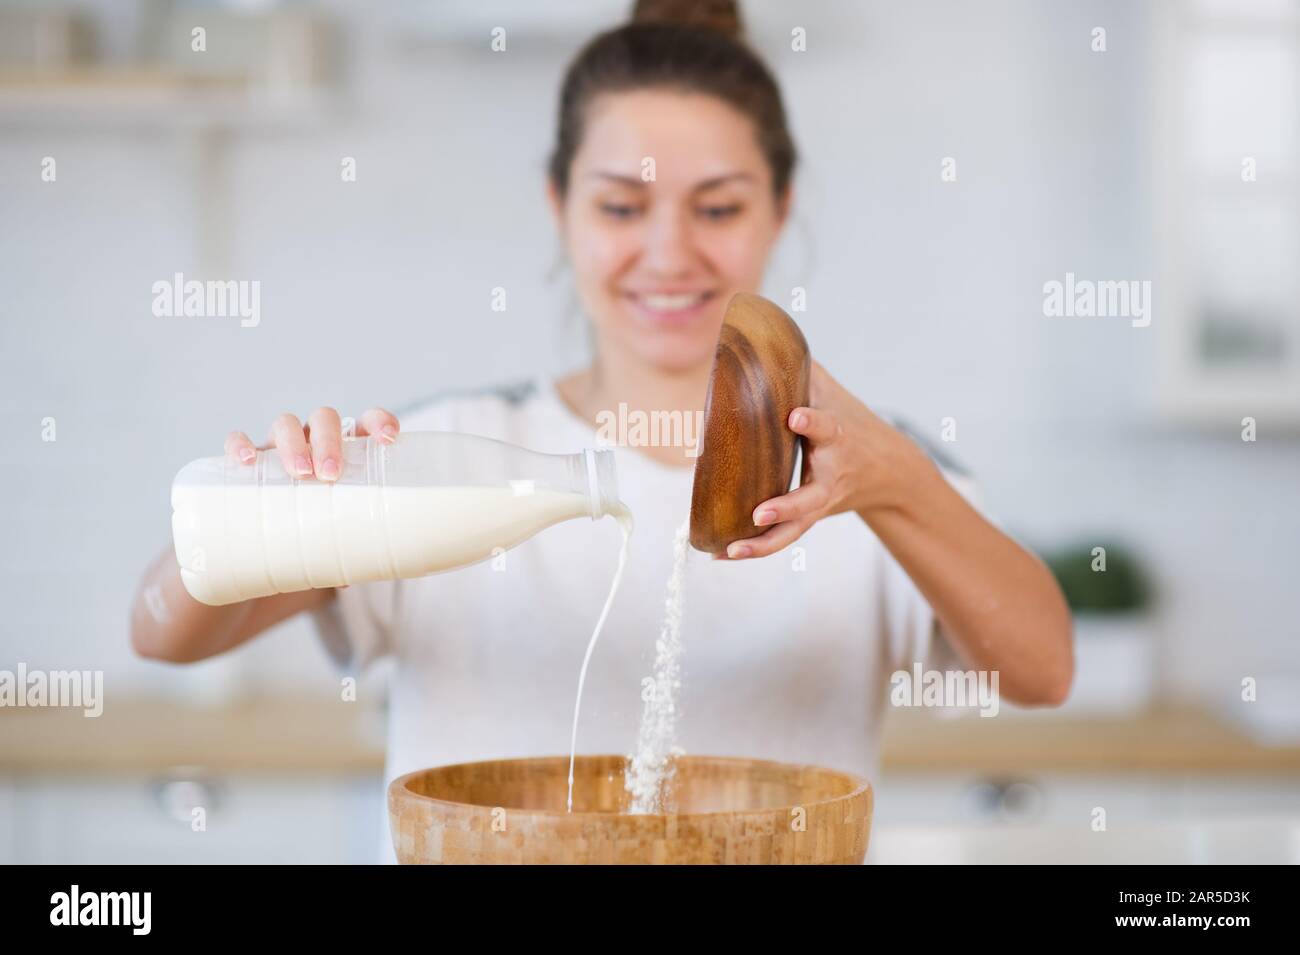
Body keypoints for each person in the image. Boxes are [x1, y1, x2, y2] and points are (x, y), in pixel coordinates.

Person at [131, 0, 1073, 862]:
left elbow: (1043, 671)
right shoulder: (446, 452)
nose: (669, 254)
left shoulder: (861, 470)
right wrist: (269, 511)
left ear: (780, 209)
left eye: (719, 207)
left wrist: (898, 480)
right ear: (561, 208)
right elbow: (163, 633)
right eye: (622, 206)